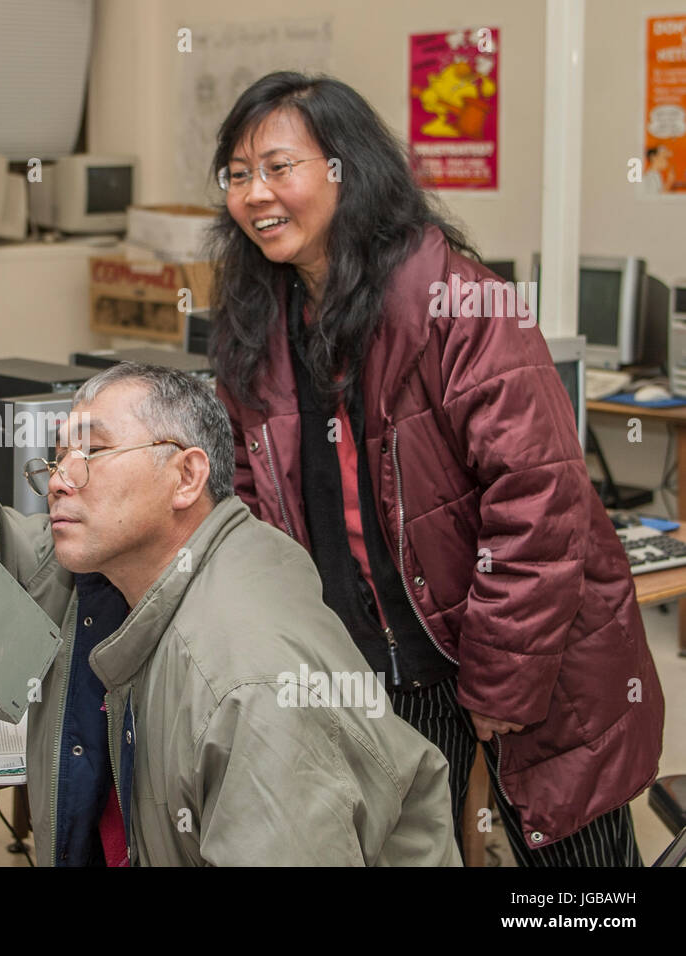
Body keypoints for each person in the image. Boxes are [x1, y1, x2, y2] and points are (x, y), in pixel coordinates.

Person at [207, 71, 664, 865]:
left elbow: (538, 501)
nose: (255, 194)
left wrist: (502, 678)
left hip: (522, 655)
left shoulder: (462, 306)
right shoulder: (259, 327)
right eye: (238, 174)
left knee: (579, 882)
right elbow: (252, 499)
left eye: (279, 167)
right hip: (378, 668)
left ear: (349, 170)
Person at [0, 363, 460, 866]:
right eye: (57, 458)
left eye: (91, 452)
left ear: (186, 477)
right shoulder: (152, 560)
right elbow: (38, 560)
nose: (57, 480)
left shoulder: (251, 690)